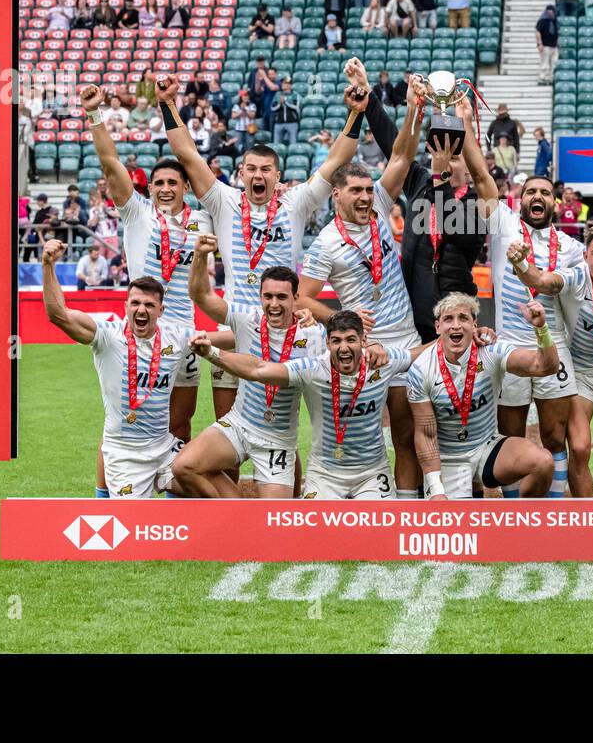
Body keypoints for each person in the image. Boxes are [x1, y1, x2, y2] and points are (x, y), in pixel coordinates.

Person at [158, 72, 362, 425]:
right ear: (241, 172)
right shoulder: (225, 200)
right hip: (238, 329)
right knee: (227, 426)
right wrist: (168, 104)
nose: (258, 175)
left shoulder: (294, 203)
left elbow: (334, 163)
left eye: (266, 169)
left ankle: (280, 481)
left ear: (276, 174)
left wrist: (356, 114)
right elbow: (187, 154)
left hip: (284, 332)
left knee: (281, 428)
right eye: (251, 168)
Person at [83, 81, 214, 498]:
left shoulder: (203, 222)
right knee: (118, 419)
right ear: (150, 187)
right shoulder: (136, 213)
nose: (165, 188)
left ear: (184, 188)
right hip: (139, 327)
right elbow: (110, 164)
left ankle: (172, 487)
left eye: (173, 183)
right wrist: (94, 115)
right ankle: (107, 495)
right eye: (158, 182)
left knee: (181, 420)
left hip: (184, 332)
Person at [297, 93, 426, 498]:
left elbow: (402, 158)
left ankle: (404, 508)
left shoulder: (381, 210)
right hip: (363, 347)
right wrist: (338, 319)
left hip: (404, 339)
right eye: (356, 191)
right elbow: (302, 298)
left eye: (369, 191)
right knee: (360, 431)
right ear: (337, 194)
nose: (366, 197)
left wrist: (414, 109)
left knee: (408, 432)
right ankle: (347, 490)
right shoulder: (326, 243)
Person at [461, 103, 590, 499]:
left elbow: (549, 285)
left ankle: (549, 510)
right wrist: (466, 122)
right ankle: (516, 512)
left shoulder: (570, 247)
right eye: (530, 191)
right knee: (510, 436)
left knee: (554, 434)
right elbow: (481, 173)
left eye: (545, 193)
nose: (537, 196)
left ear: (555, 203)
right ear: (519, 198)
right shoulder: (502, 224)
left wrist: (522, 267)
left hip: (554, 349)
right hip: (507, 349)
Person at [40, 239, 197, 499]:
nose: (141, 309)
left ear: (161, 310)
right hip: (126, 454)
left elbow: (214, 340)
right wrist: (48, 265)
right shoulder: (108, 336)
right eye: (135, 303)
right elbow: (58, 314)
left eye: (148, 305)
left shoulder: (175, 336)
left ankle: (235, 521)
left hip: (164, 450)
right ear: (125, 307)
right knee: (130, 527)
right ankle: (105, 502)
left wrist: (266, 329)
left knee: (205, 482)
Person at [199, 311, 411, 499]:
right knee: (313, 534)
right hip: (325, 476)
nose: (343, 347)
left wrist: (443, 339)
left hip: (372, 475)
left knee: (376, 533)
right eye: (336, 340)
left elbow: (419, 354)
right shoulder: (313, 369)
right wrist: (212, 353)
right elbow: (258, 368)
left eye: (351, 340)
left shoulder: (383, 361)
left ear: (364, 340)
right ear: (327, 344)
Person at [174, 241, 326, 498]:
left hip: (277, 440)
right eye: (268, 296)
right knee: (182, 467)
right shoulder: (248, 317)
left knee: (273, 522)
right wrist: (199, 255)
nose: (274, 304)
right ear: (260, 297)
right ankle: (236, 512)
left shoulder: (313, 335)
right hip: (239, 424)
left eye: (282, 297)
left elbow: (260, 369)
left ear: (296, 299)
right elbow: (203, 296)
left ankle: (248, 513)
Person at [350, 60, 485, 341]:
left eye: (454, 157)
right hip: (411, 315)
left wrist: (440, 179)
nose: (445, 160)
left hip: (453, 320)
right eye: (439, 153)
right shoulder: (422, 182)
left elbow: (454, 230)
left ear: (469, 168)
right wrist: (367, 92)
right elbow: (394, 148)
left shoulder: (476, 204)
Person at [507, 223, 593, 497]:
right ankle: (588, 520)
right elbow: (541, 281)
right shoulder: (575, 277)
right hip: (578, 374)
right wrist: (521, 262)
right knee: (579, 449)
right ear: (585, 256)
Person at [407, 293, 559, 499]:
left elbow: (545, 366)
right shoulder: (422, 369)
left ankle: (520, 521)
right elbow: (426, 435)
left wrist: (541, 328)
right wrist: (436, 490)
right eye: (448, 319)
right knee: (456, 527)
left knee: (543, 463)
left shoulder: (491, 351)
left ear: (474, 325)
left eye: (463, 318)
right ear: (437, 327)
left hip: (486, 447)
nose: (456, 325)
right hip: (448, 460)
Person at [535, 4, 560, 85]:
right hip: (545, 45)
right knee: (544, 63)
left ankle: (550, 79)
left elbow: (557, 33)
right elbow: (538, 32)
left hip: (554, 46)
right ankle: (542, 79)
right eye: (552, 11)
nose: (553, 13)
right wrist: (539, 44)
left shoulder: (555, 21)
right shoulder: (542, 21)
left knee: (554, 63)